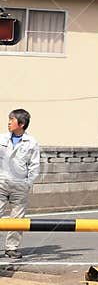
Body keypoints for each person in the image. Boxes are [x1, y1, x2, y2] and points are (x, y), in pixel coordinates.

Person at [0, 109, 40, 259]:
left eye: (12, 120)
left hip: (19, 185)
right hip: (1, 182)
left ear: (21, 124)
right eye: (9, 119)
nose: (9, 122)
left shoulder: (32, 142)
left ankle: (11, 248)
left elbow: (34, 165)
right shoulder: (2, 138)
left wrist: (28, 183)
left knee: (17, 218)